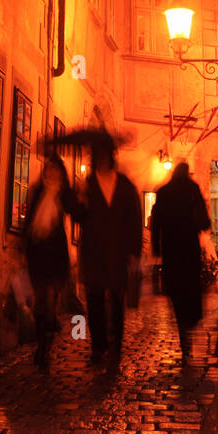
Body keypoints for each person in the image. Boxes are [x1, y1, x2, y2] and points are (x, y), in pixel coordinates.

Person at [78, 136, 143, 372]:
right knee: (94, 300)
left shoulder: (125, 185)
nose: (103, 161)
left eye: (106, 156)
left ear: (111, 158)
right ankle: (98, 346)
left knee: (116, 301)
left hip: (118, 252)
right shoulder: (88, 184)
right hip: (94, 251)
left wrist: (134, 251)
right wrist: (80, 201)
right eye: (100, 157)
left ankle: (116, 347)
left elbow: (134, 219)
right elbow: (79, 217)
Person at [150, 160, 211, 366]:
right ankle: (190, 325)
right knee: (191, 290)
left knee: (177, 293)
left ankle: (183, 333)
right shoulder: (192, 189)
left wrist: (156, 248)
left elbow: (155, 221)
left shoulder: (163, 192)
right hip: (189, 247)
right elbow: (204, 219)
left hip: (171, 249)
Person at [22, 154, 78, 371]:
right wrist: (23, 244)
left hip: (55, 256)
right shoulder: (37, 191)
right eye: (49, 169)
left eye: (55, 170)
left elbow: (76, 211)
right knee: (39, 305)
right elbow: (29, 221)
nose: (51, 173)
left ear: (61, 173)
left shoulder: (64, 194)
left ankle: (45, 349)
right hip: (36, 254)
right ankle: (42, 343)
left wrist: (73, 193)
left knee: (48, 302)